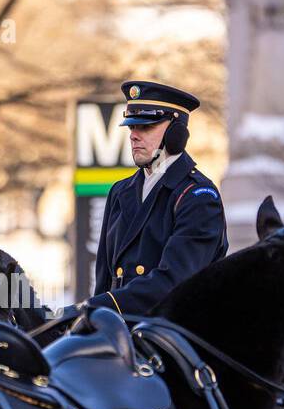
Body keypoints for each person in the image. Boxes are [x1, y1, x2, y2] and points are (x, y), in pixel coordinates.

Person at [59, 80, 226, 325]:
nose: (134, 135)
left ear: (176, 132)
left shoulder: (198, 196)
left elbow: (174, 282)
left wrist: (99, 307)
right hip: (123, 332)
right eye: (132, 127)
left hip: (174, 338)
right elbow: (105, 280)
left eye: (146, 127)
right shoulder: (120, 191)